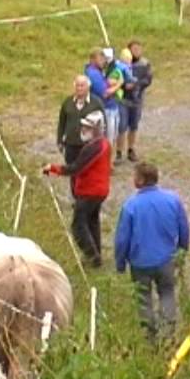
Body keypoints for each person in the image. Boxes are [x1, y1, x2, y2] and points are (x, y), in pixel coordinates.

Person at [115, 162, 189, 341]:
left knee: (143, 298)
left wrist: (120, 262)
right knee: (167, 293)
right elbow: (184, 228)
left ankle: (150, 336)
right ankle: (168, 331)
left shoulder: (130, 206)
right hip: (166, 259)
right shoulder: (173, 200)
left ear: (140, 180)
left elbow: (122, 238)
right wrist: (182, 250)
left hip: (140, 263)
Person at [43, 111, 112, 267]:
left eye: (88, 127)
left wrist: (52, 168)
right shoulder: (103, 144)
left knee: (78, 226)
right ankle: (96, 255)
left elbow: (75, 168)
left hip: (90, 192)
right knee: (92, 222)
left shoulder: (95, 147)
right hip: (99, 190)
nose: (83, 130)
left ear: (97, 129)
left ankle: (92, 257)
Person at [56, 74, 105, 166]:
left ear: (88, 86)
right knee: (72, 172)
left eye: (82, 85)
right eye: (77, 85)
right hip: (71, 145)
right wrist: (59, 141)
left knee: (87, 173)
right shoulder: (68, 102)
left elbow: (103, 125)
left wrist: (100, 145)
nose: (79, 88)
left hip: (88, 146)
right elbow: (62, 123)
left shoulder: (96, 103)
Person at [124, 40, 153, 162]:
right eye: (134, 49)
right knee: (120, 127)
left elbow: (148, 80)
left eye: (139, 49)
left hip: (137, 99)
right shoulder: (122, 63)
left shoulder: (145, 64)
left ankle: (131, 149)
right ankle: (118, 151)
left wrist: (136, 84)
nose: (137, 51)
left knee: (134, 125)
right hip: (123, 99)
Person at [106, 47, 135, 163]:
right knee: (119, 128)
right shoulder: (122, 67)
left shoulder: (118, 66)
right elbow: (128, 79)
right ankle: (116, 153)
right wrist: (131, 81)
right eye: (128, 59)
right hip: (119, 97)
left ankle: (117, 153)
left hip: (122, 96)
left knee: (124, 126)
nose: (129, 62)